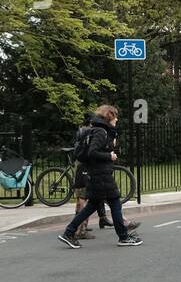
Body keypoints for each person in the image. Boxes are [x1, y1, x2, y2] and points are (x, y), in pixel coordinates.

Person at [58, 105, 143, 248]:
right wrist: (109, 156)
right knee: (115, 202)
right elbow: (92, 152)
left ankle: (69, 232)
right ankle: (123, 237)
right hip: (100, 175)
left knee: (91, 206)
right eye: (115, 116)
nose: (117, 119)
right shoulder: (100, 131)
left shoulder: (101, 130)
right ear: (109, 117)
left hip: (97, 174)